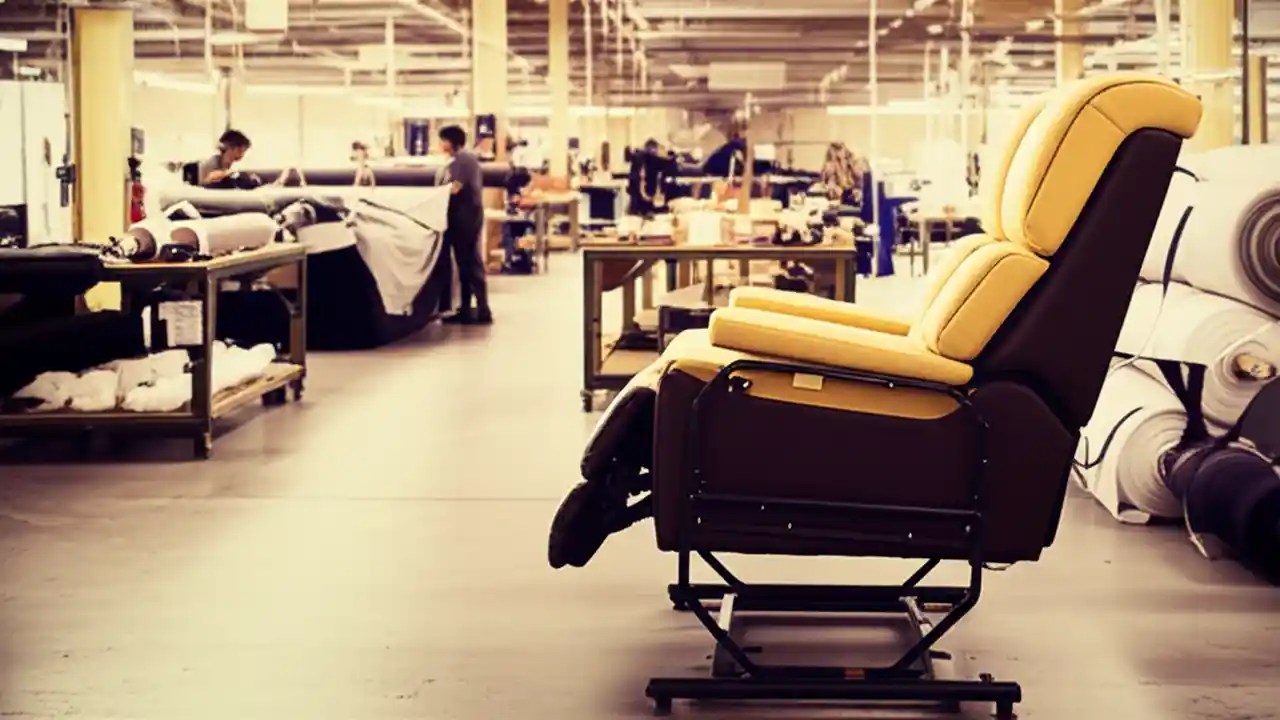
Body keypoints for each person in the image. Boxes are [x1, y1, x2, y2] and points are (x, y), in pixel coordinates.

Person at [436, 124, 492, 325]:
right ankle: (466, 309)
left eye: (442, 140)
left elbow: (455, 188)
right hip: (463, 217)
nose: (440, 144)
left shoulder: (463, 160)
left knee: (469, 262)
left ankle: (483, 310)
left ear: (450, 141)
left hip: (465, 218)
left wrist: (430, 196)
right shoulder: (461, 160)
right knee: (464, 263)